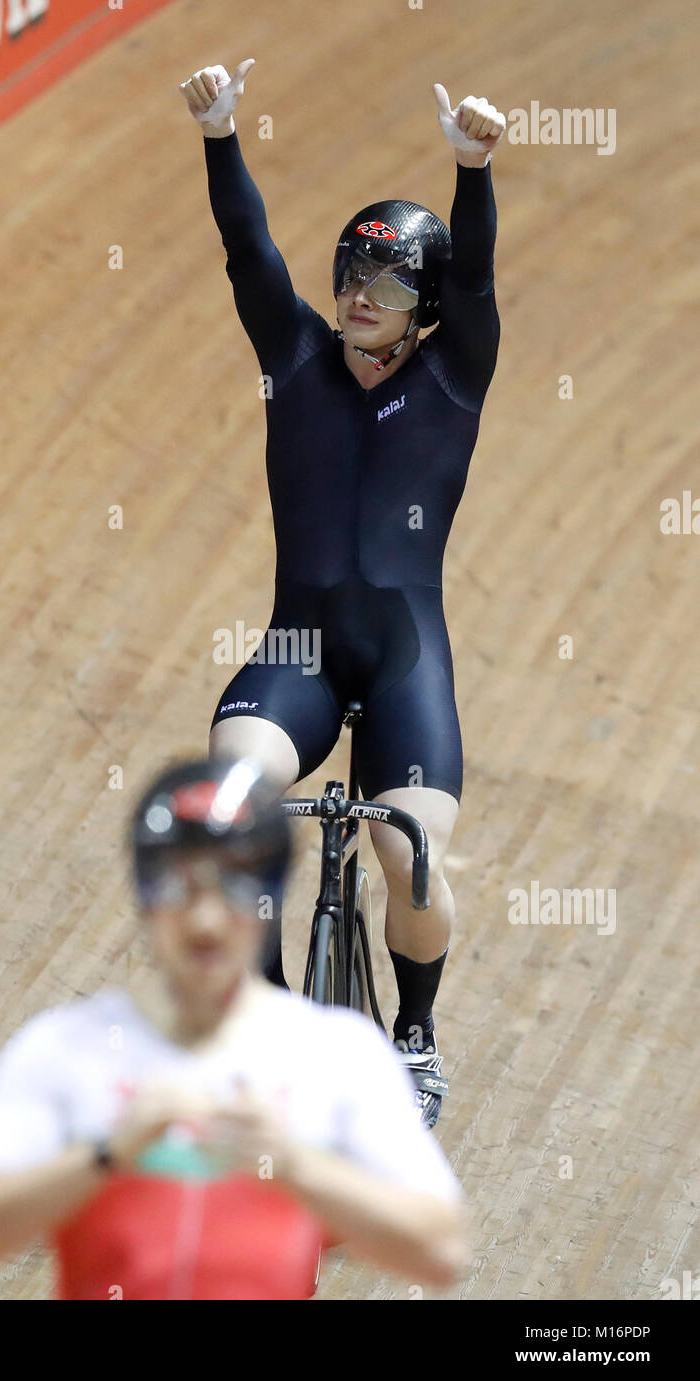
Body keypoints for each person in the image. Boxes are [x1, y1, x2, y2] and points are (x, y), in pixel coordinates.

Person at [180, 61, 506, 1126]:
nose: (361, 297)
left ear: (422, 310)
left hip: (405, 658)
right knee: (232, 803)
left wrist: (470, 169)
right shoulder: (295, 356)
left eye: (391, 285)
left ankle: (412, 1036)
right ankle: (268, 1017)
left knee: (406, 852)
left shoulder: (454, 372)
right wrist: (223, 134)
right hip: (300, 654)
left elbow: (478, 278)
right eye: (351, 274)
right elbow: (246, 252)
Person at [0, 757, 467, 1300]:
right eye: (180, 887)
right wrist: (104, 1157)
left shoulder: (336, 1054)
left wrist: (296, 1164)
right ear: (143, 896)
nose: (205, 921)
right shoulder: (65, 1049)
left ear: (270, 899)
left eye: (233, 887)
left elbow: (442, 1251)